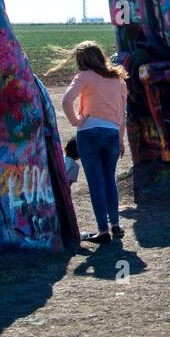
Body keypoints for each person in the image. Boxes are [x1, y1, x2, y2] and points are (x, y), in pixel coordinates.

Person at [60, 41, 128, 243]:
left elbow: (66, 101)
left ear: (81, 60)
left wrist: (76, 121)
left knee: (95, 182)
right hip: (112, 133)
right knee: (110, 180)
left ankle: (102, 230)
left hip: (89, 133)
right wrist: (121, 139)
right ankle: (116, 224)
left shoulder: (84, 77)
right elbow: (123, 114)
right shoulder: (119, 80)